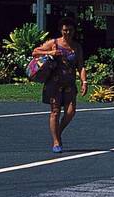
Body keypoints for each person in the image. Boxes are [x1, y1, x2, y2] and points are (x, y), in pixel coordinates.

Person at [31, 15, 87, 153]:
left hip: (69, 83)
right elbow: (35, 52)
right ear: (61, 30)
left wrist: (84, 81)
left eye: (70, 30)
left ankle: (58, 131)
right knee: (55, 112)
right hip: (54, 84)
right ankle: (56, 141)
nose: (67, 33)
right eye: (65, 30)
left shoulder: (76, 47)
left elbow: (80, 66)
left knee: (71, 111)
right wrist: (51, 52)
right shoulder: (54, 43)